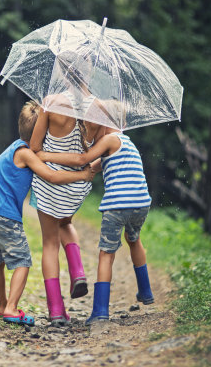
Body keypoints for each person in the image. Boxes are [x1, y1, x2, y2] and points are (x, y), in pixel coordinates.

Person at [0, 101, 95, 327]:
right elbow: (51, 177)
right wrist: (81, 176)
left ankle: (2, 305)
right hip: (4, 215)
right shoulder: (27, 154)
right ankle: (11, 308)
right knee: (22, 261)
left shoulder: (13, 148)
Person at [36, 123, 154, 325]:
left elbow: (83, 159)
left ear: (107, 125)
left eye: (96, 127)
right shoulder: (127, 144)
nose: (93, 134)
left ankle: (100, 311)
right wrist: (77, 172)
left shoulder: (109, 139)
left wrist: (46, 156)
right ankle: (146, 291)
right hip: (141, 204)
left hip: (118, 206)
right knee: (134, 240)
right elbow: (91, 166)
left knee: (106, 254)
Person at [29, 97, 105, 327]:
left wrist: (47, 155)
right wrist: (87, 168)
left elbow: (34, 147)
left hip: (48, 182)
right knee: (66, 224)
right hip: (75, 185)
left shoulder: (51, 103)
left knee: (50, 243)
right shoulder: (97, 108)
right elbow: (101, 155)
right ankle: (78, 271)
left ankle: (55, 311)